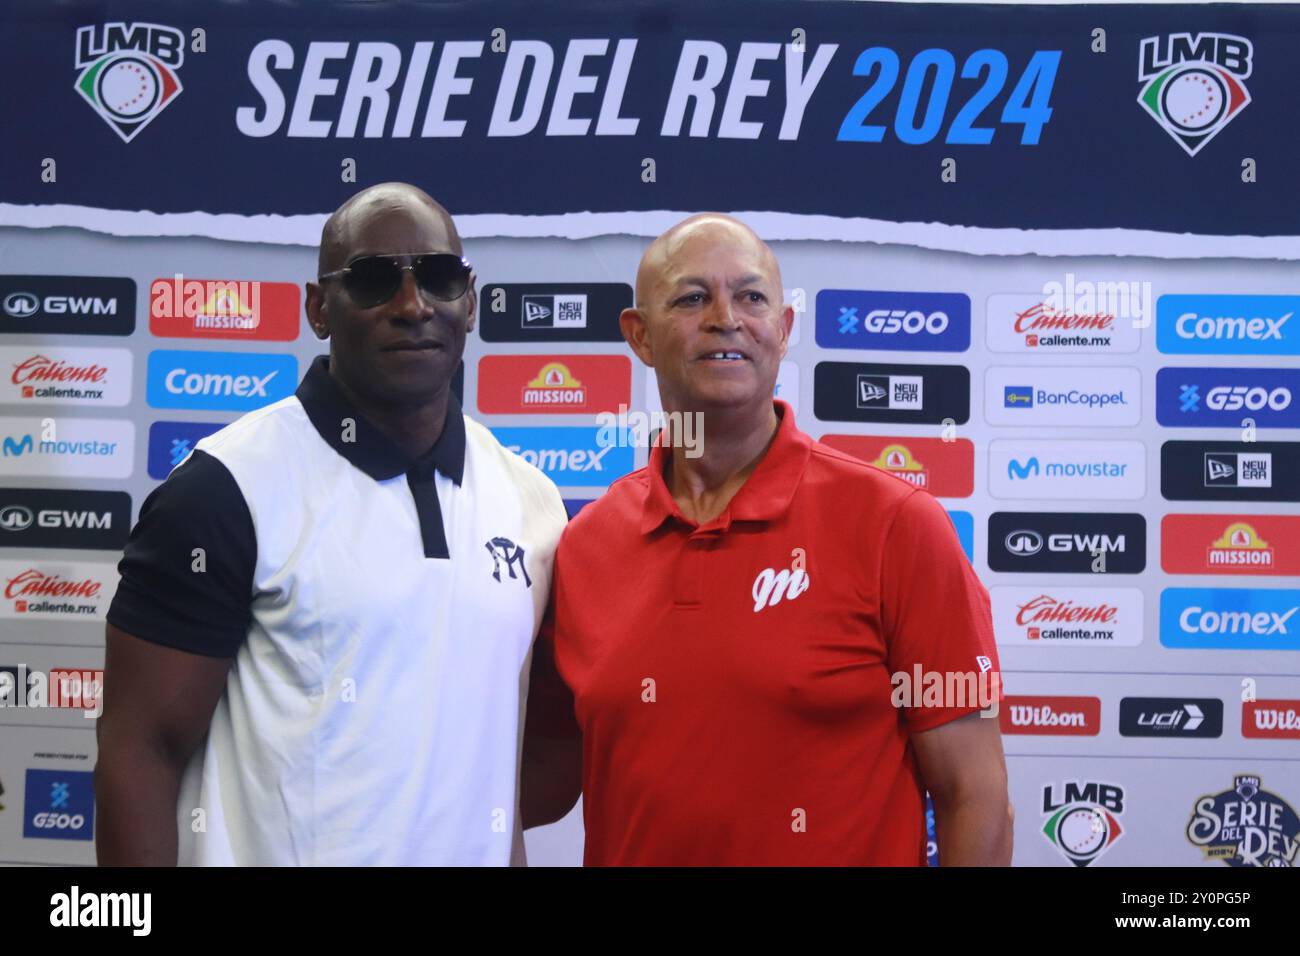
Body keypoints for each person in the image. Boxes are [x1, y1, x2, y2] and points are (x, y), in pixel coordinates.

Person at [96, 183, 567, 865]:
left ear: (468, 303)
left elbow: (500, 778)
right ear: (320, 308)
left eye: (439, 278)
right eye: (374, 281)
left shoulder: (530, 501)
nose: (412, 307)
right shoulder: (224, 489)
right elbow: (140, 749)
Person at [522, 214, 1013, 865]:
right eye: (692, 298)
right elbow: (545, 782)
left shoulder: (896, 523)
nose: (726, 318)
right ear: (639, 335)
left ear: (782, 331)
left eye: (752, 297)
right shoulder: (584, 547)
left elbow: (973, 793)